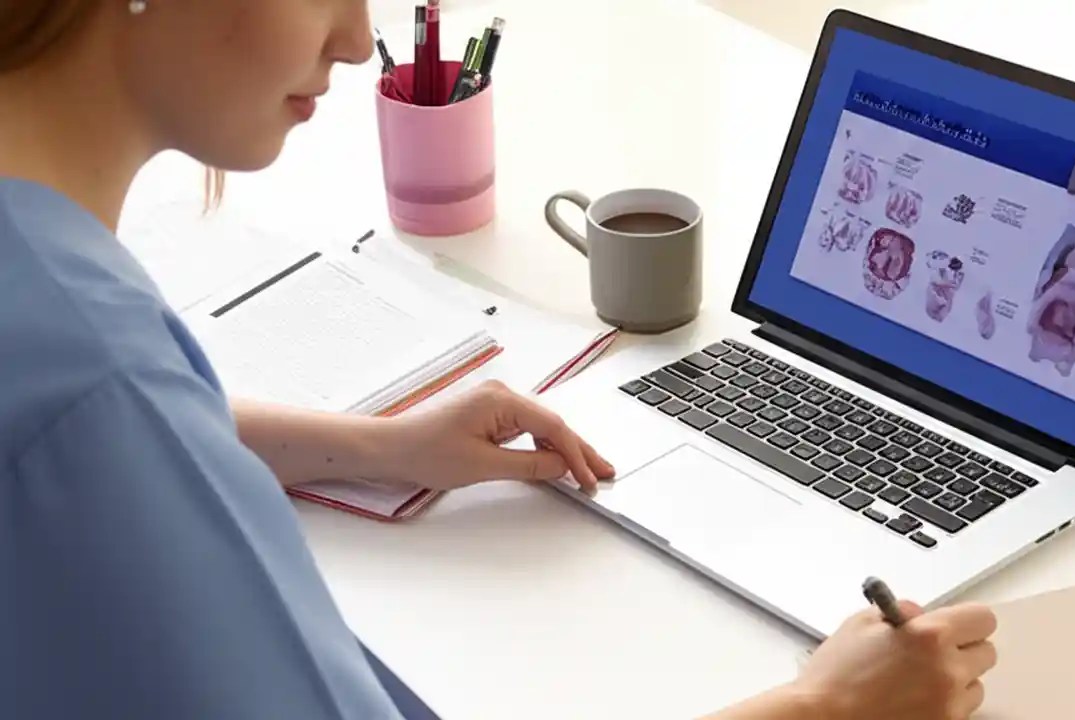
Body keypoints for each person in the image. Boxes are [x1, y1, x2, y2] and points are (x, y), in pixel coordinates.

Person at [0, 1, 998, 718]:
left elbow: (93, 448)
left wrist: (378, 446)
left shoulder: (56, 316)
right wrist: (826, 710)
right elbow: (100, 431)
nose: (356, 38)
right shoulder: (96, 380)